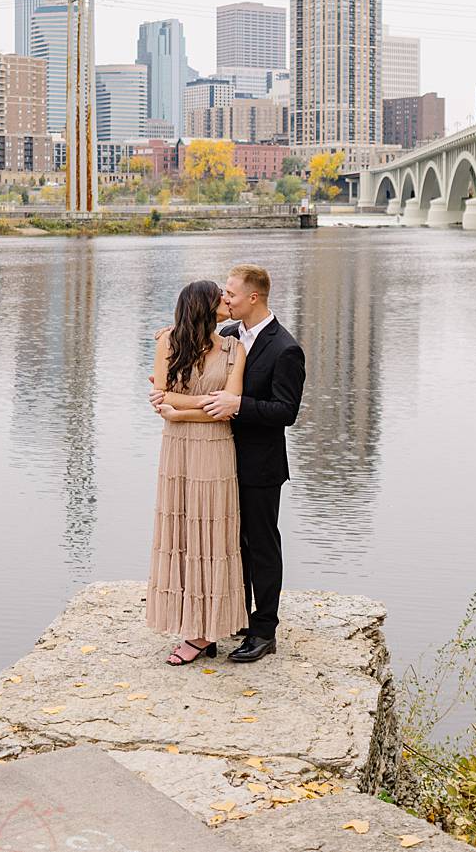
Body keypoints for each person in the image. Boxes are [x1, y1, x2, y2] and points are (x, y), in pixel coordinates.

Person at [156, 264, 304, 664]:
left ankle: (263, 630)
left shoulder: (285, 347)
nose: (226, 299)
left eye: (231, 294)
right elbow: (194, 363)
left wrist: (238, 405)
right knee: (225, 544)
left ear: (252, 298)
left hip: (259, 463)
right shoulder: (227, 335)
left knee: (260, 545)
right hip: (215, 457)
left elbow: (286, 411)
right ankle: (230, 619)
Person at [145, 279, 249, 665]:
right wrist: (194, 405)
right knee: (184, 532)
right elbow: (162, 398)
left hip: (215, 449)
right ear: (203, 306)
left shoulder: (234, 348)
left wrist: (181, 409)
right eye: (219, 295)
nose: (226, 299)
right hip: (177, 450)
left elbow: (230, 405)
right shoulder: (168, 342)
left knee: (213, 534)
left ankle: (205, 632)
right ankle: (191, 624)